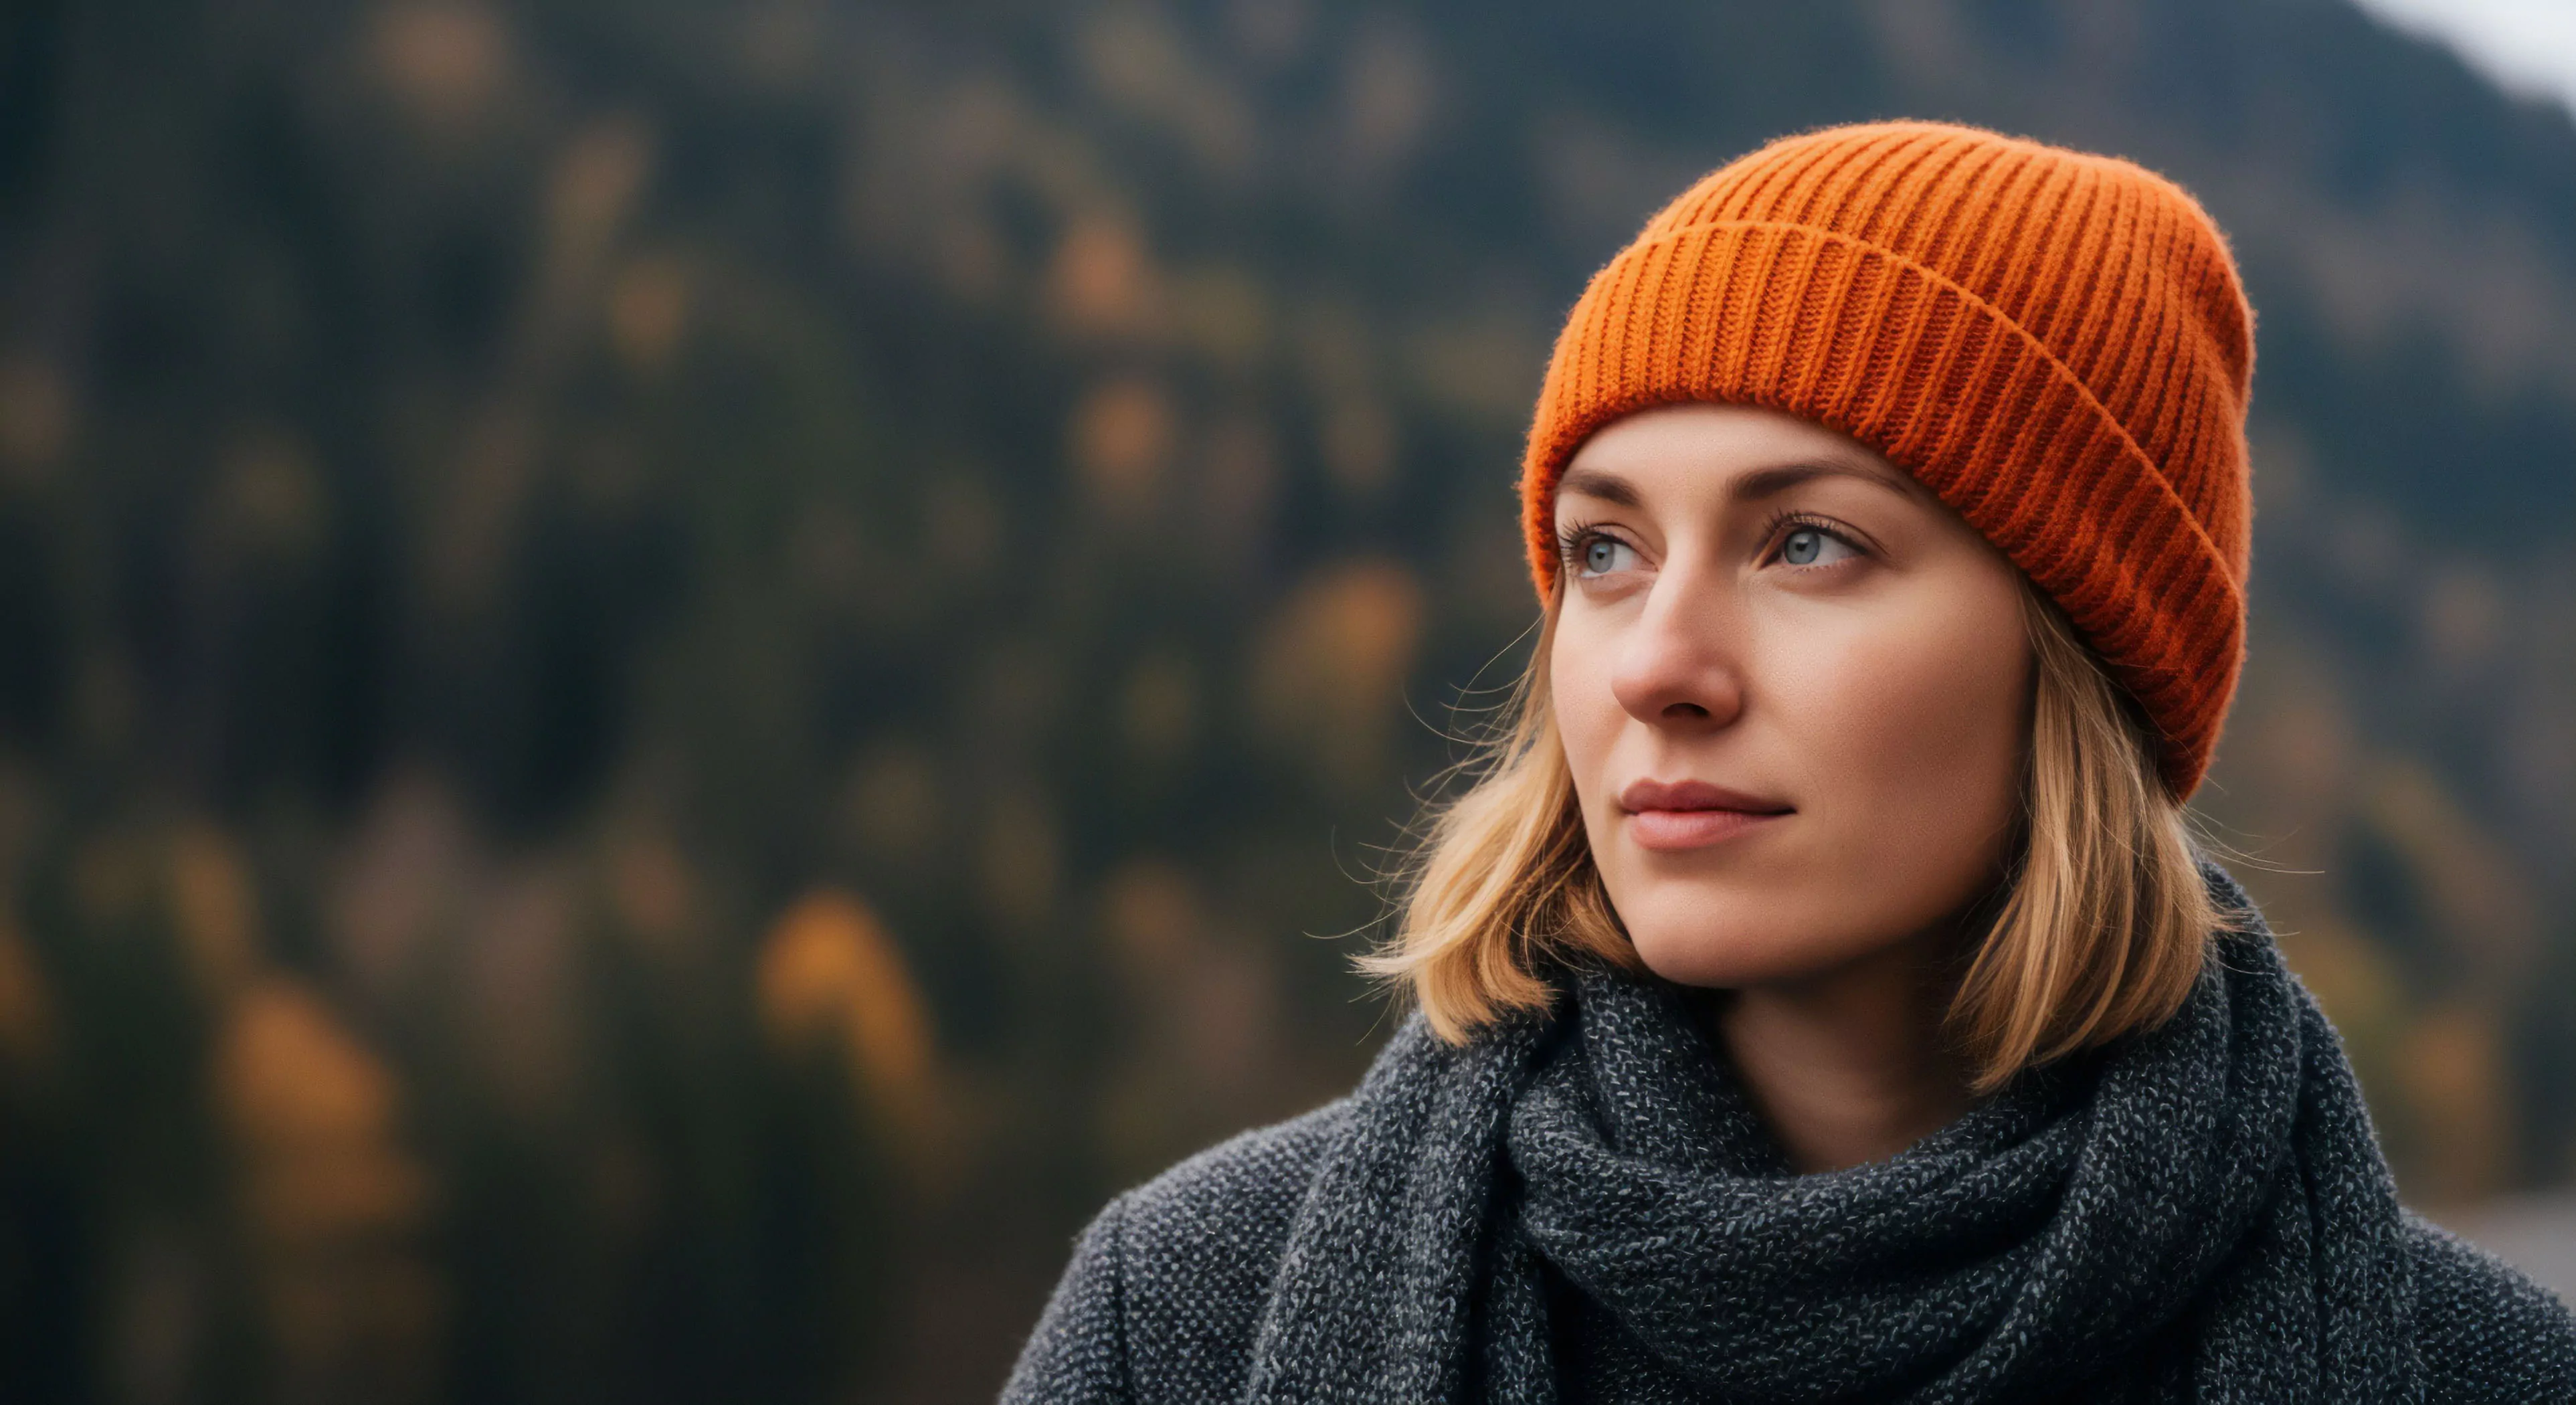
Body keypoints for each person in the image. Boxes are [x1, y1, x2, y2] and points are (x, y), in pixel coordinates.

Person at [1000, 121, 2576, 1402]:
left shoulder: (2481, 1375)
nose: (1656, 664)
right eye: (1602, 549)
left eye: (1806, 542)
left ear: (2080, 656)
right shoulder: (1189, 1322)